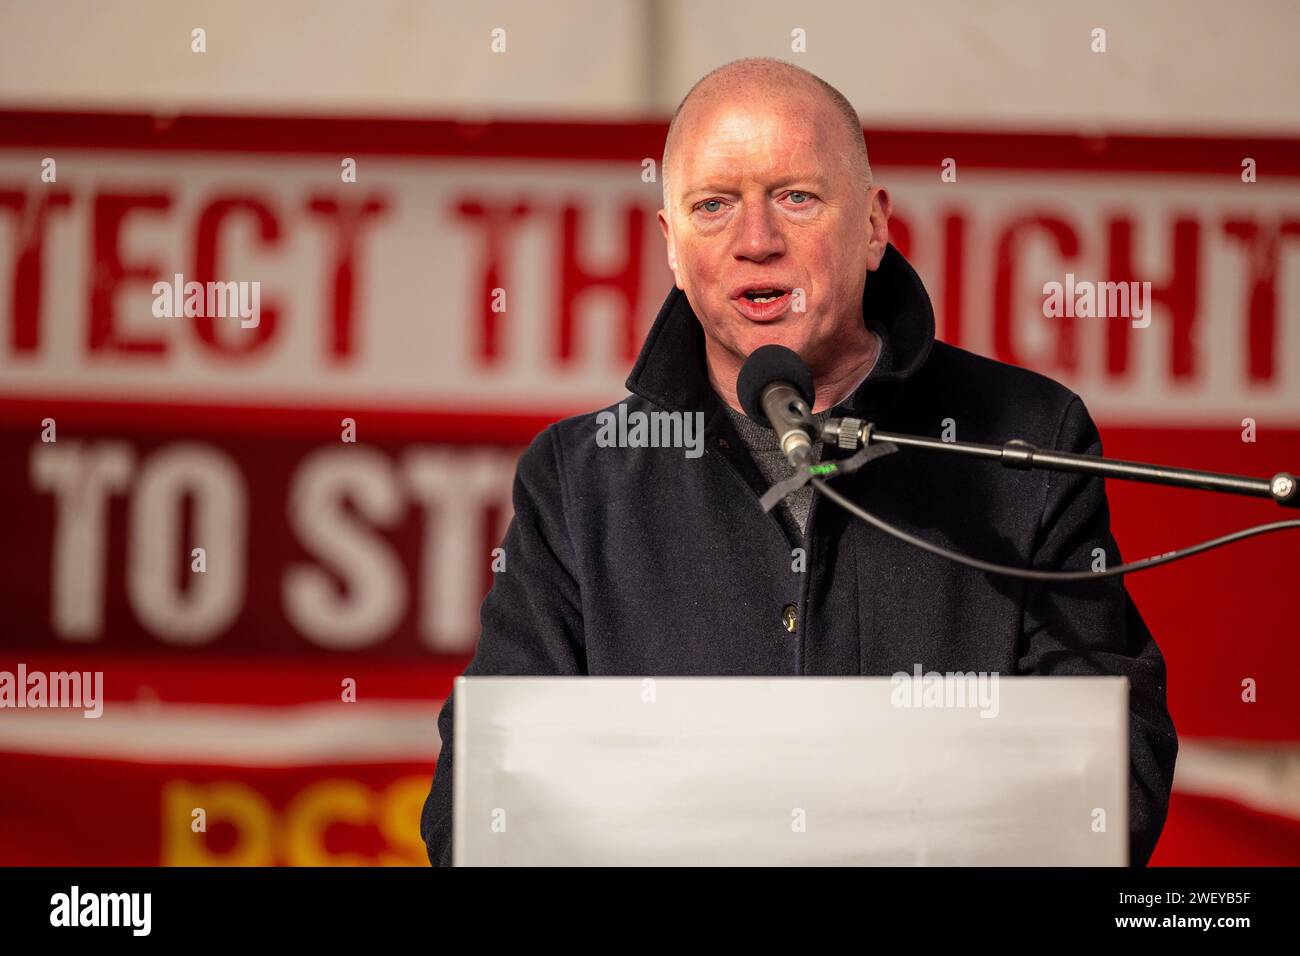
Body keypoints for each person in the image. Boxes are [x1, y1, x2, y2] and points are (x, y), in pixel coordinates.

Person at [420, 57, 1178, 866]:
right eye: (714, 207)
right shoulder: (579, 478)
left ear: (875, 225)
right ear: (672, 248)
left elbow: (1112, 768)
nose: (756, 241)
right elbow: (477, 803)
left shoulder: (1027, 436)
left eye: (796, 197)